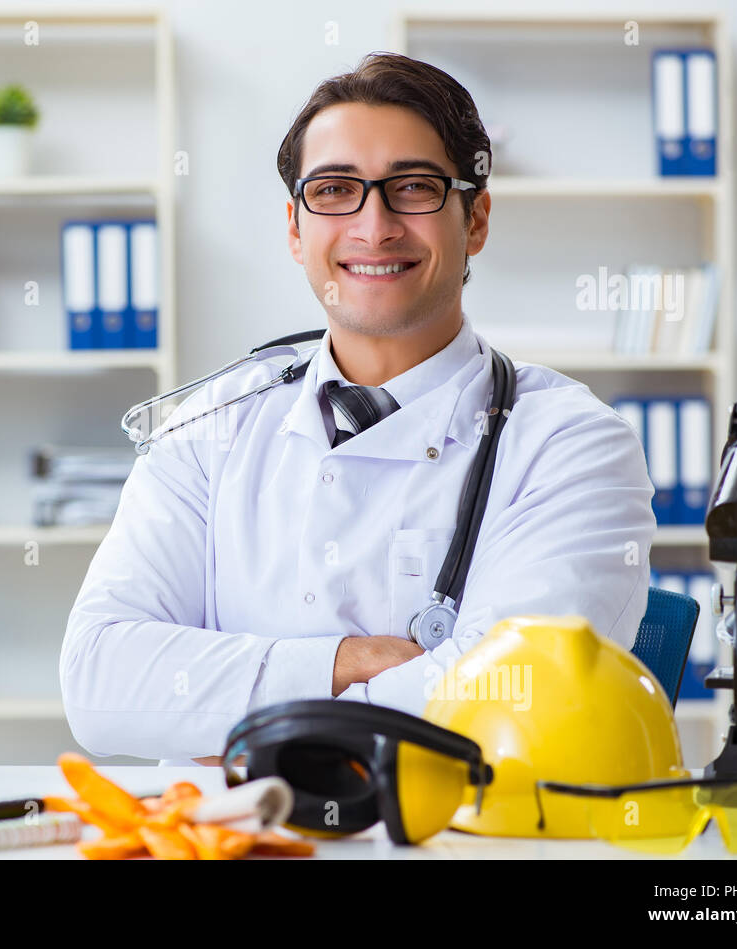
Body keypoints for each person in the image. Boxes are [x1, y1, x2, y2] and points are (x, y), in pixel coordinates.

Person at [59, 52, 656, 766]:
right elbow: (99, 682)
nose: (374, 227)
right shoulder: (209, 427)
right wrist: (341, 662)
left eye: (413, 187)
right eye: (336, 190)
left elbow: (517, 700)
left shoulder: (571, 443)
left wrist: (230, 715)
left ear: (477, 219)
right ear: (294, 228)